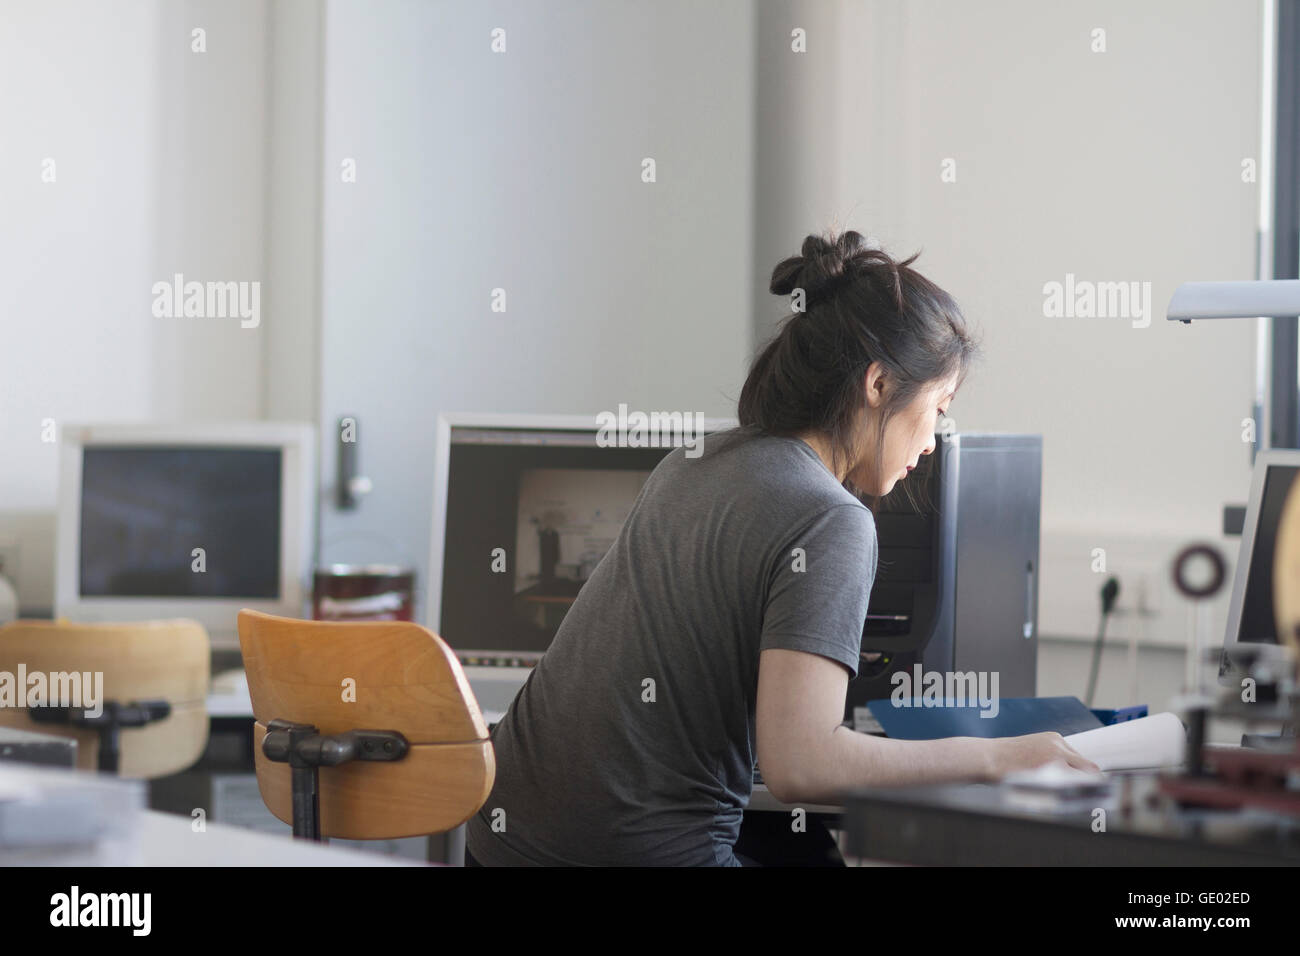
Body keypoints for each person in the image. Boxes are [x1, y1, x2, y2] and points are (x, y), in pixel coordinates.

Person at [465, 229, 1099, 867]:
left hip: (498, 840)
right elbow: (803, 764)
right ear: (878, 385)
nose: (934, 440)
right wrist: (998, 756)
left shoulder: (693, 460)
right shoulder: (830, 518)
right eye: (938, 407)